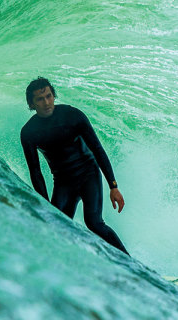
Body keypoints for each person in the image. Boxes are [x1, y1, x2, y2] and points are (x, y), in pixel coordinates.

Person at [20, 77, 129, 254]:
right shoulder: (29, 132)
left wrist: (113, 186)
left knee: (94, 222)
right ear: (31, 104)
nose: (46, 102)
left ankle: (129, 263)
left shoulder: (72, 116)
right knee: (55, 226)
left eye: (49, 96)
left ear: (54, 96)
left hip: (88, 174)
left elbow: (97, 149)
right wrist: (46, 205)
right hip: (63, 182)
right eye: (40, 99)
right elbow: (35, 172)